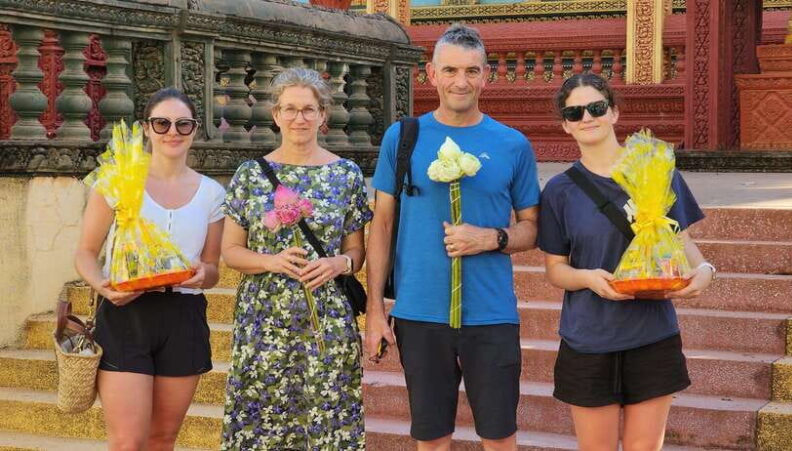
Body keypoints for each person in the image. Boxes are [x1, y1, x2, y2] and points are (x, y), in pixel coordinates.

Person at [366, 24, 540, 451]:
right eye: (450, 70)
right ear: (431, 74)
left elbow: (532, 227)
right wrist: (374, 310)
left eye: (471, 71)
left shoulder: (511, 144)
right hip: (419, 311)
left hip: (491, 313)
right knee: (431, 437)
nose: (460, 81)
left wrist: (491, 238)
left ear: (486, 75)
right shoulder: (403, 137)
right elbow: (382, 224)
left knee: (499, 436)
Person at [537, 73, 716, 450]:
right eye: (574, 112)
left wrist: (704, 271)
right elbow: (556, 269)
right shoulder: (559, 191)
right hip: (589, 338)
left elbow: (682, 242)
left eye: (597, 107)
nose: (587, 117)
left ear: (614, 113)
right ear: (565, 126)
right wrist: (587, 278)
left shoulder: (656, 170)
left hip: (651, 336)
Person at [219, 67, 372, 450]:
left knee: (327, 415)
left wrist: (339, 264)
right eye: (289, 109)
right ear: (275, 115)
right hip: (263, 319)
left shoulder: (346, 175)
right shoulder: (250, 175)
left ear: (323, 115)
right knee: (263, 419)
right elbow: (230, 251)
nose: (298, 118)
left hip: (327, 320)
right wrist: (271, 261)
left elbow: (357, 251)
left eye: (308, 109)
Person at [74, 87, 225, 450]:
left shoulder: (212, 193)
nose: (172, 132)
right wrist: (102, 286)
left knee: (162, 440)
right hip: (127, 312)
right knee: (127, 442)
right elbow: (85, 252)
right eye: (162, 123)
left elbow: (213, 267)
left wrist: (204, 275)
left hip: (183, 315)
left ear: (195, 130)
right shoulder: (117, 180)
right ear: (146, 128)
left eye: (182, 124)